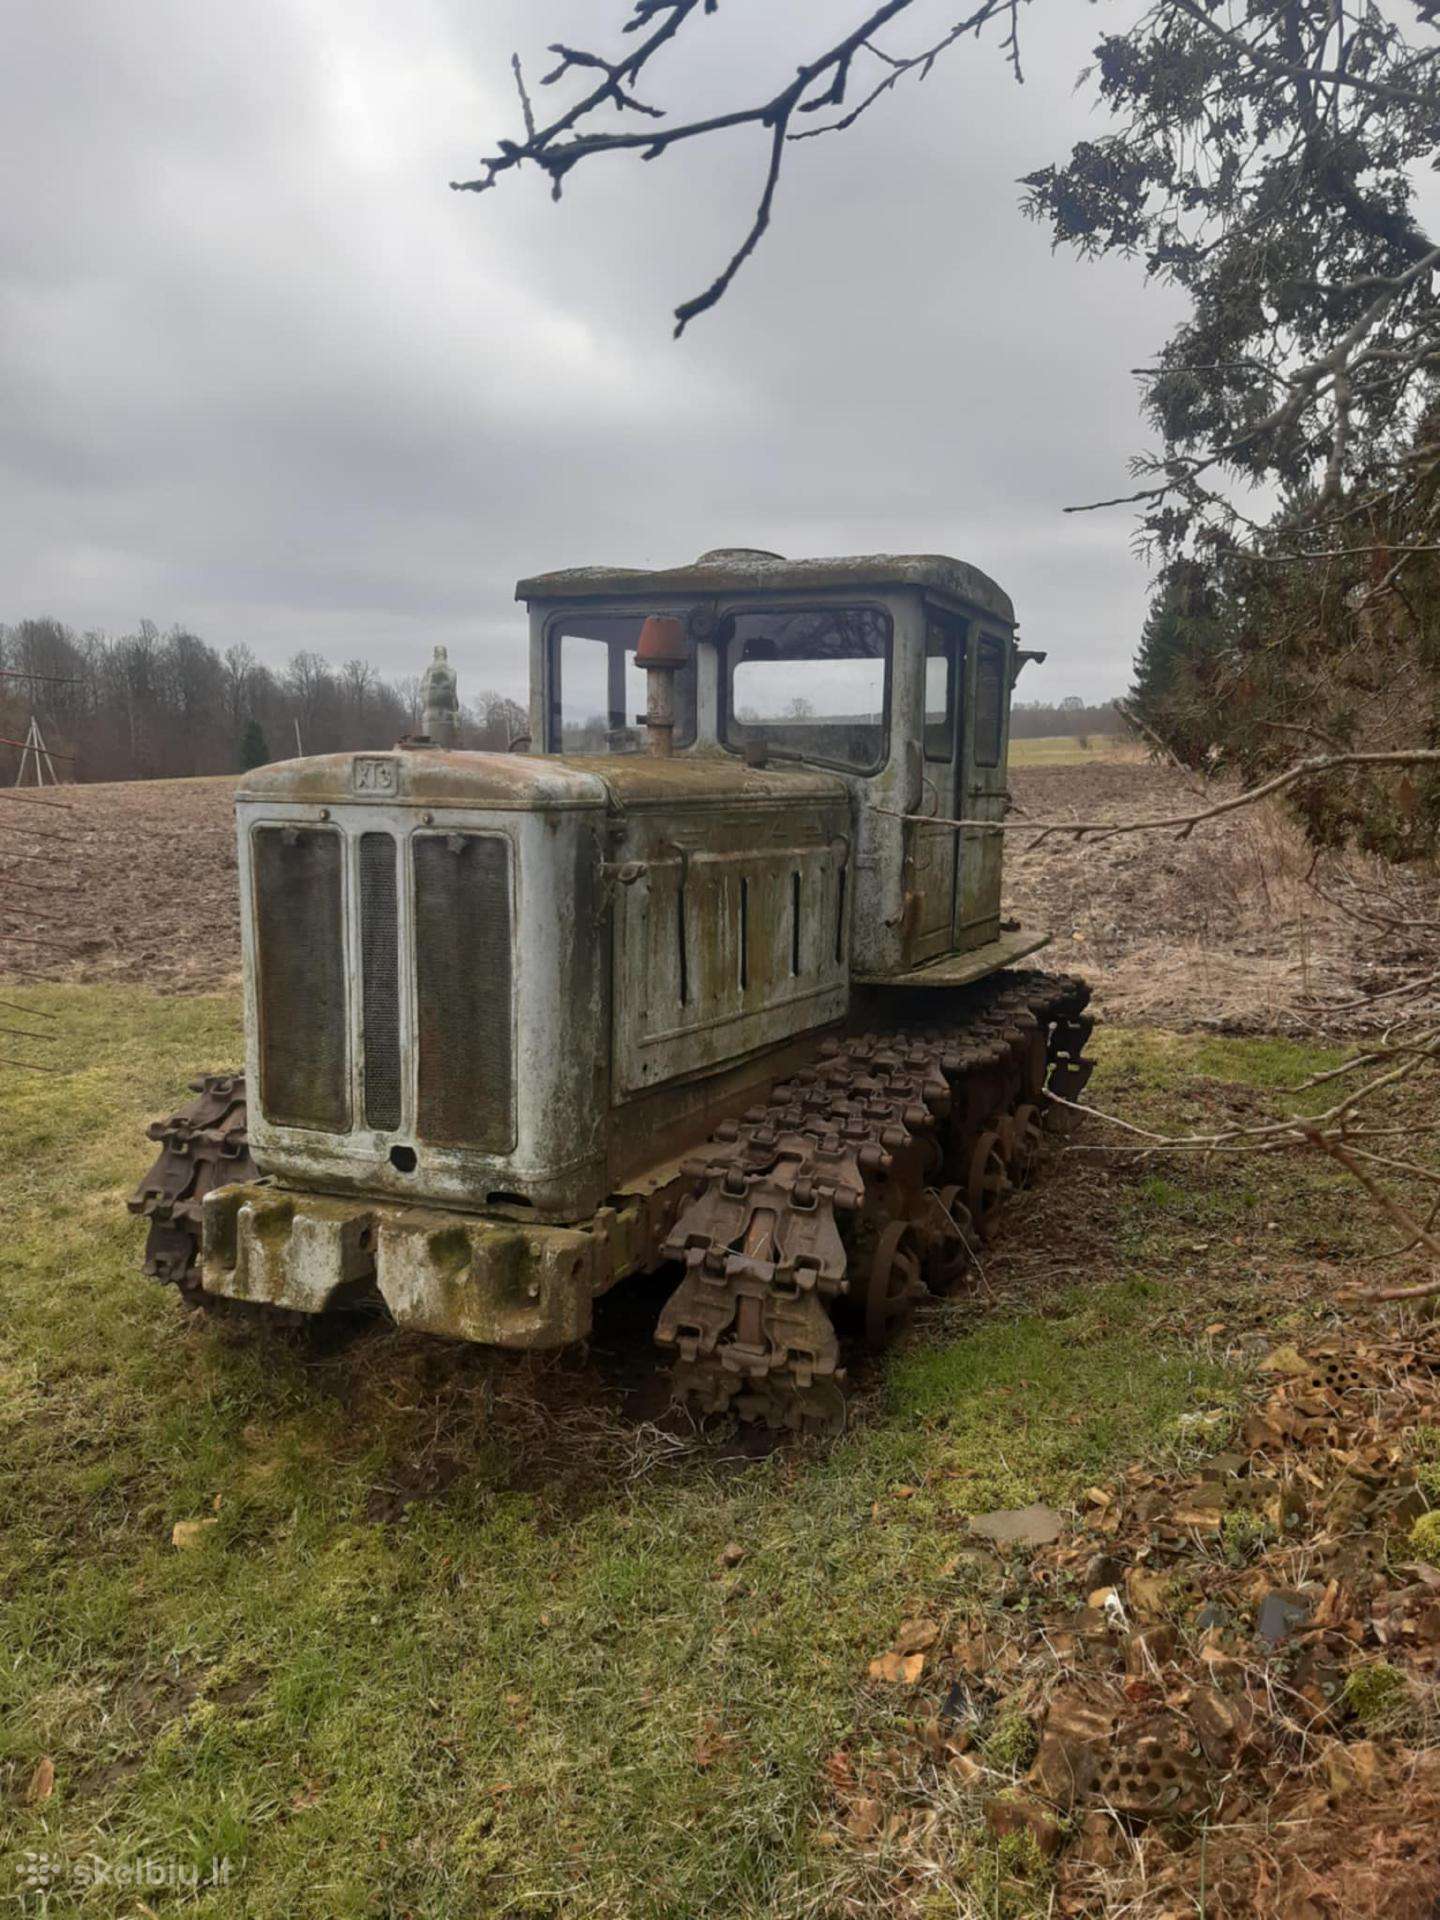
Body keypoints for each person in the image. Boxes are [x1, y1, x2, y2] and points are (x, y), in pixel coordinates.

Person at [421, 645, 460, 748]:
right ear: (446, 656)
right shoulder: (451, 672)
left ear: (434, 656)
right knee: (446, 751)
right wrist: (456, 714)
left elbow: (422, 695)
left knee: (434, 749)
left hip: (430, 715)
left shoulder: (428, 674)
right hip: (445, 715)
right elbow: (453, 696)